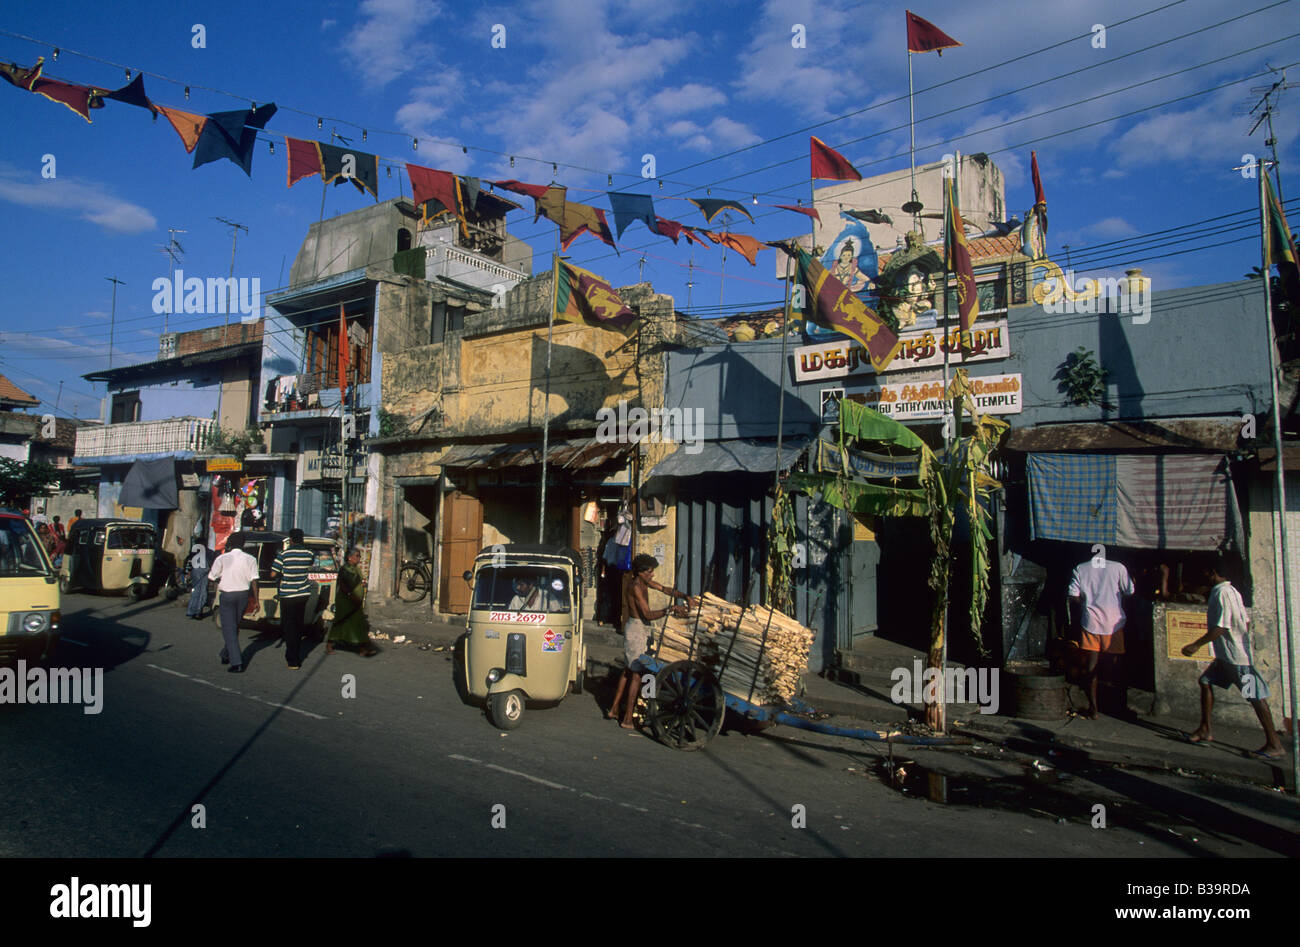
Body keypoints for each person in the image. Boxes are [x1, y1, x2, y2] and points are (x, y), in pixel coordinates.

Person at [1182, 555, 1286, 758]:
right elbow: (1244, 622)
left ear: (1211, 573)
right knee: (1205, 681)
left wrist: (1196, 644)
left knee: (1255, 696)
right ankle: (1205, 729)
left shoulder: (1222, 594)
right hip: (1226, 657)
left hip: (1237, 660)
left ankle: (1275, 744)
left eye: (1205, 572)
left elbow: (1221, 627)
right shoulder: (1231, 592)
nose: (1203, 576)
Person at [608, 554, 690, 729]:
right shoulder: (635, 587)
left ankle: (614, 708)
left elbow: (664, 588)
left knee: (629, 670)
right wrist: (671, 609)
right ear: (641, 572)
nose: (653, 575)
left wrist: (684, 596)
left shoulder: (644, 582)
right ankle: (628, 718)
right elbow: (647, 614)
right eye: (650, 572)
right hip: (637, 630)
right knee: (638, 673)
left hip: (643, 628)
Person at [1067, 547, 1135, 719]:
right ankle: (1117, 706)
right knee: (1114, 667)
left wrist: (1087, 599)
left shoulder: (1081, 568)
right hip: (1114, 624)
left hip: (1091, 622)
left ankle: (1094, 708)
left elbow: (1073, 596)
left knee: (1091, 667)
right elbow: (1130, 591)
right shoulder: (1118, 567)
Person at [208, 534, 259, 673]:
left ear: (230, 544)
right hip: (243, 595)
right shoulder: (251, 559)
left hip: (228, 595)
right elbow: (254, 581)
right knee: (233, 626)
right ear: (243, 544)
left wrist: (222, 582)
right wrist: (257, 600)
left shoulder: (223, 558)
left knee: (229, 628)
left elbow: (212, 577)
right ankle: (225, 653)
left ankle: (237, 662)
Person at [271, 528, 315, 670]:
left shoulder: (283, 555)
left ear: (290, 539)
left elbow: (273, 574)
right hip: (303, 594)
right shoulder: (309, 554)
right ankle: (295, 654)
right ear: (302, 539)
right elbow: (310, 565)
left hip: (288, 595)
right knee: (298, 623)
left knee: (289, 627)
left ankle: (292, 660)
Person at [327, 547, 377, 657]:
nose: (359, 558)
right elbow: (343, 585)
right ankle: (329, 644)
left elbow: (360, 580)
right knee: (340, 621)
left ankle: (362, 649)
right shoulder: (344, 569)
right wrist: (351, 595)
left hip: (356, 601)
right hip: (346, 600)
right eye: (357, 556)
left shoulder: (356, 569)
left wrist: (362, 585)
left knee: (359, 624)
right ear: (350, 558)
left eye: (359, 556)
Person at [186, 540, 212, 619]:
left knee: (195, 592)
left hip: (195, 573)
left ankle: (191, 611)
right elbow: (211, 564)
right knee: (202, 593)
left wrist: (188, 572)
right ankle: (197, 612)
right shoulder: (209, 553)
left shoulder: (194, 551)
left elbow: (188, 562)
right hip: (203, 574)